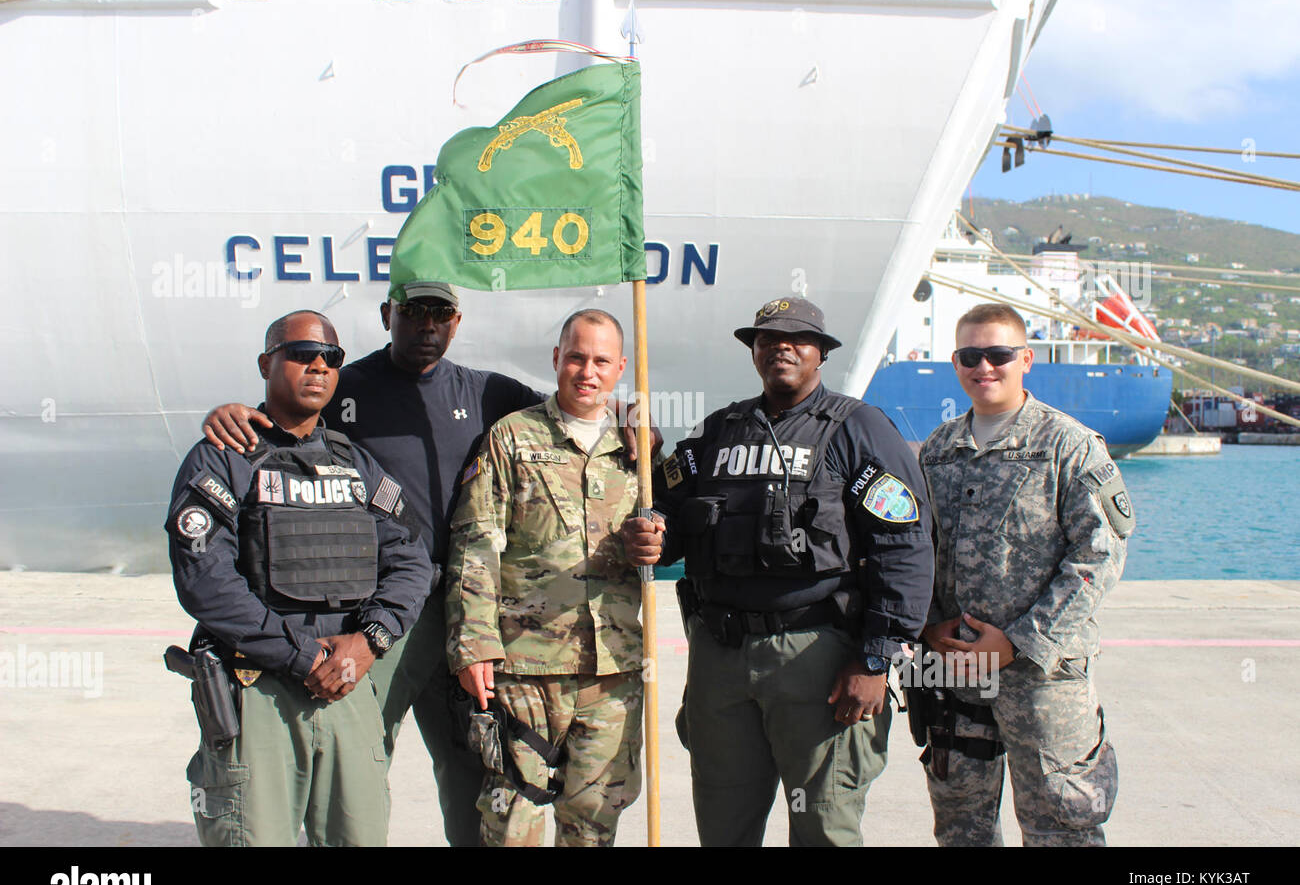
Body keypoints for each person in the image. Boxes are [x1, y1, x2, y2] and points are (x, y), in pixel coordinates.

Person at [201, 282, 656, 847]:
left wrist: (633, 418)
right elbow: (290, 417)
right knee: (363, 755)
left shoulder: (489, 392)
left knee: (475, 762)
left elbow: (575, 405)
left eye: (440, 313)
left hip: (469, 611)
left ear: (457, 322)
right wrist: (234, 411)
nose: (427, 324)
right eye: (413, 312)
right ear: (388, 315)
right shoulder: (348, 384)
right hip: (382, 613)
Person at [622, 296, 934, 847]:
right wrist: (652, 530)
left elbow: (903, 544)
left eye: (797, 339)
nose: (781, 347)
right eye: (768, 339)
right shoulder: (719, 432)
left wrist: (876, 660)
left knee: (823, 827)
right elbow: (666, 504)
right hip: (719, 659)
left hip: (817, 658)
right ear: (754, 352)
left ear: (821, 354)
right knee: (723, 823)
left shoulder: (857, 430)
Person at [166, 310, 433, 846]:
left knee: (358, 836)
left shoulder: (355, 464)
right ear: (267, 364)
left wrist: (369, 641)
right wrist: (301, 655)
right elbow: (206, 580)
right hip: (257, 688)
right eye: (300, 353)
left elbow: (411, 558)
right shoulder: (224, 458)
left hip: (347, 688)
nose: (317, 365)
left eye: (331, 357)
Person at [916, 302, 1130, 846]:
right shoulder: (938, 450)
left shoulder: (1069, 445)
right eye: (970, 355)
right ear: (956, 362)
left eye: (998, 354)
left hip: (1044, 678)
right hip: (956, 672)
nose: (984, 367)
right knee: (960, 826)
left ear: (1026, 359)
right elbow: (917, 548)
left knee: (1062, 825)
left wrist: (1019, 642)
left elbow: (1098, 556)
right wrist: (926, 627)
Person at [446, 309, 644, 847]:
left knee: (595, 821)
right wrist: (474, 644)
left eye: (601, 360)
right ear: (557, 359)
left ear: (620, 367)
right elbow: (476, 543)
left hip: (612, 670)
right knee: (515, 821)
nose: (587, 371)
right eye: (576, 356)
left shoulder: (638, 448)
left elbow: (664, 528)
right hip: (526, 668)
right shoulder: (512, 438)